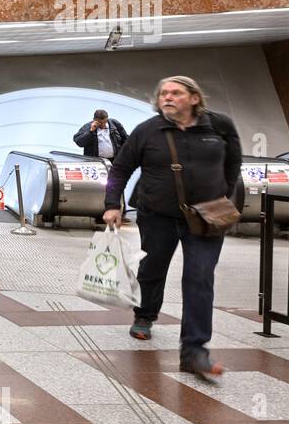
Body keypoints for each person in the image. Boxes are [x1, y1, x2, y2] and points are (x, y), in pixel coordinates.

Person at [102, 76, 241, 382]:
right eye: (164, 93)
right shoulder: (148, 131)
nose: (168, 97)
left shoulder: (220, 126)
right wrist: (113, 203)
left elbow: (233, 166)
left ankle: (194, 350)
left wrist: (225, 199)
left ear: (194, 98)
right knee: (152, 267)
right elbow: (122, 168)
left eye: (176, 93)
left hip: (207, 217)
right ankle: (145, 315)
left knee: (200, 277)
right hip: (157, 215)